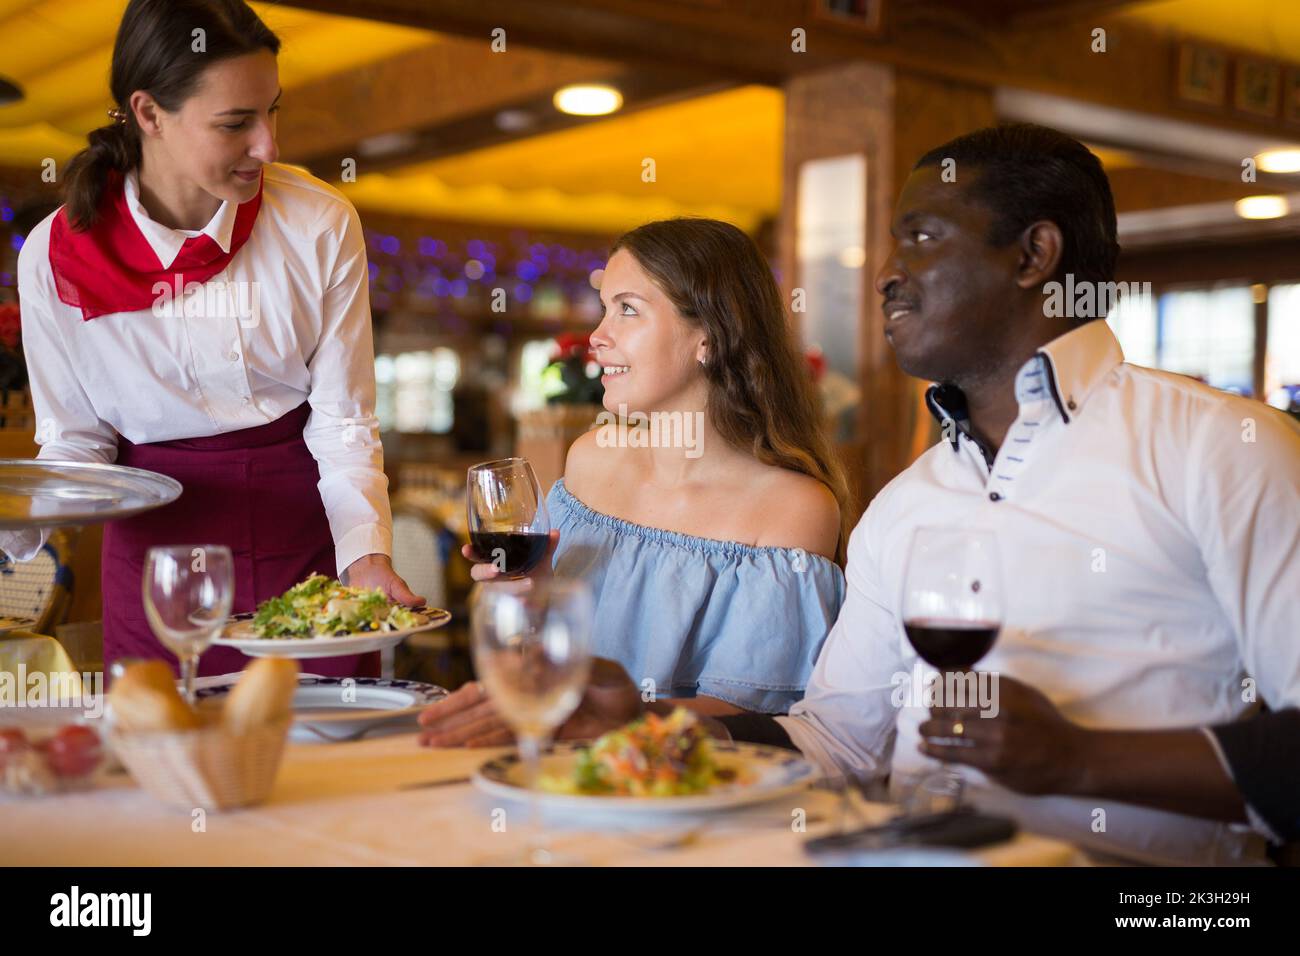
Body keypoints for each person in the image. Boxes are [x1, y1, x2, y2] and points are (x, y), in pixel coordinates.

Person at [499, 125, 1300, 866]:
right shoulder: (906, 503)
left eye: (919, 239)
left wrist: (1081, 759)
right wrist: (643, 724)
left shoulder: (1224, 448)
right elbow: (835, 741)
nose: (886, 275)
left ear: (1034, 256)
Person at [5, 0, 420, 677]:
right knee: (165, 764)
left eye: (273, 111)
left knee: (329, 768)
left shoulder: (318, 223)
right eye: (235, 124)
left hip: (307, 548)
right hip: (158, 567)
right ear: (148, 114)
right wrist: (17, 519)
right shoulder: (54, 257)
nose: (269, 146)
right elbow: (78, 442)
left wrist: (366, 555)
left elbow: (344, 422)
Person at [419, 218, 850, 745]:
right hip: (564, 767)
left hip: (688, 794)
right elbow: (544, 661)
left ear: (709, 337)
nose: (598, 336)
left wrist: (601, 723)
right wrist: (538, 600)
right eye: (605, 308)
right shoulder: (590, 461)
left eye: (628, 309)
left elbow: (749, 721)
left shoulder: (792, 508)